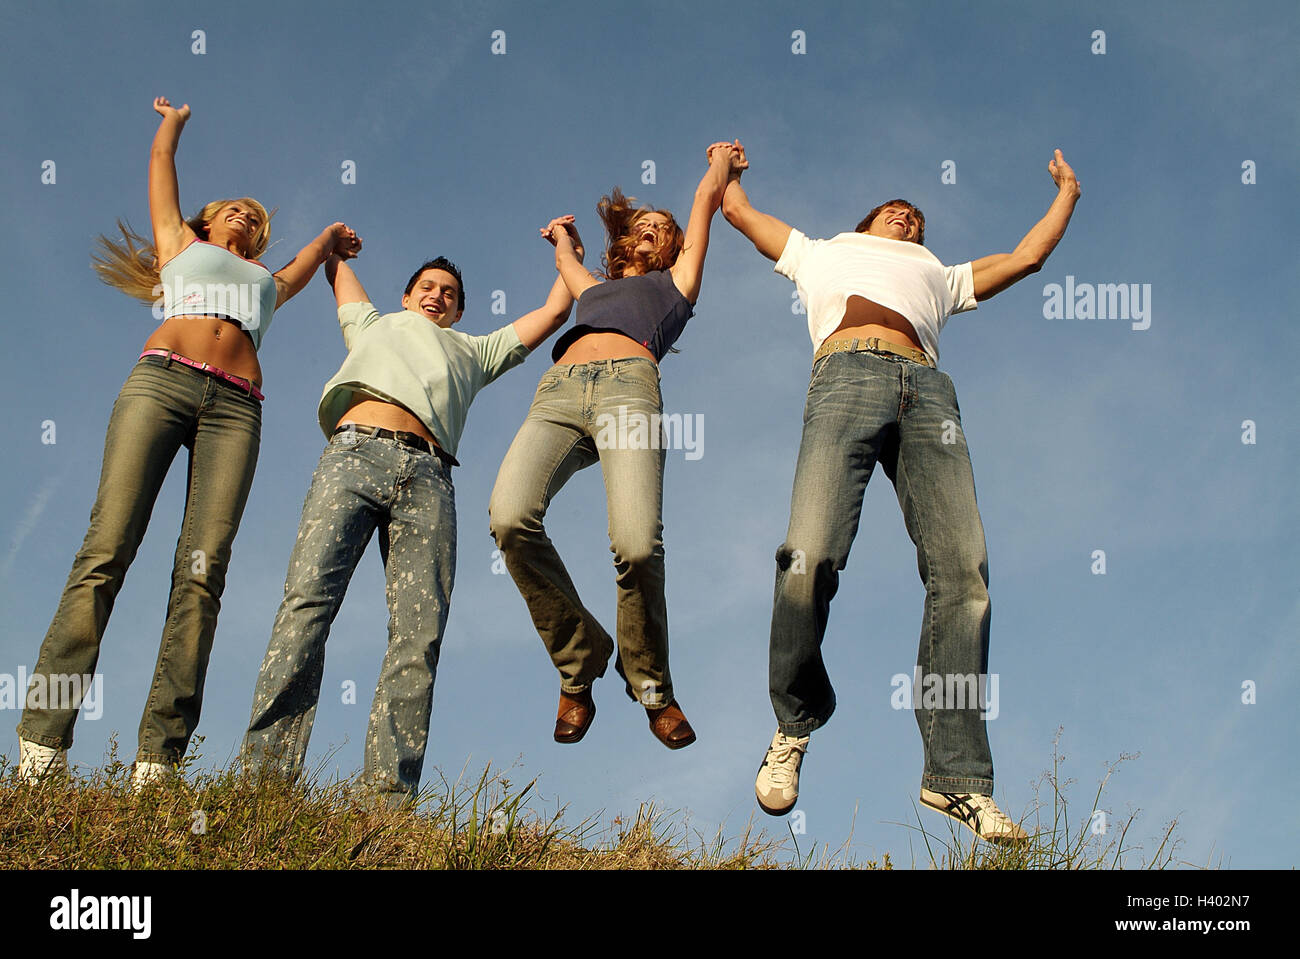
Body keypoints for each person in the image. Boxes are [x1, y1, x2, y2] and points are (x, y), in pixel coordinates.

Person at [722, 143, 1081, 842]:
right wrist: (727, 169)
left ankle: (954, 777)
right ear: (866, 222)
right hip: (845, 377)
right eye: (895, 211)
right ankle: (794, 722)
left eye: (916, 216)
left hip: (929, 395)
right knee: (808, 554)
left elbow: (1027, 257)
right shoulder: (821, 251)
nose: (907, 217)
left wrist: (1067, 193)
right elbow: (737, 210)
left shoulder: (938, 275)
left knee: (964, 574)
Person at [16, 97, 360, 788]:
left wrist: (329, 239)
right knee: (107, 548)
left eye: (256, 219)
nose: (246, 218)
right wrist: (171, 123)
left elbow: (301, 266)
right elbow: (161, 164)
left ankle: (158, 759)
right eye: (235, 209)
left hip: (237, 409)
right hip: (161, 383)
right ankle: (42, 744)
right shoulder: (179, 242)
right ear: (206, 219)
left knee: (203, 574)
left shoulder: (265, 281)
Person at [242, 225, 577, 807]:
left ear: (460, 309)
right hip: (352, 457)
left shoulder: (474, 351)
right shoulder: (373, 325)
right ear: (406, 296)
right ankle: (264, 784)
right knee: (306, 606)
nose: (437, 294)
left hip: (429, 477)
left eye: (449, 292)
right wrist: (333, 248)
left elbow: (553, 311)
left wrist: (565, 249)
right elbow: (339, 278)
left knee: (418, 635)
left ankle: (386, 799)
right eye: (427, 286)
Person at [489, 142, 744, 750]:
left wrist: (721, 164)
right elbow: (568, 265)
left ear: (675, 247)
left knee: (636, 545)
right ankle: (581, 656)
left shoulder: (679, 284)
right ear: (626, 241)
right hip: (558, 393)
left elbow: (705, 201)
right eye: (643, 227)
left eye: (664, 230)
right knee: (509, 517)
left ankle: (651, 684)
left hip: (630, 392)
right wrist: (561, 240)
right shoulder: (592, 288)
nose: (653, 233)